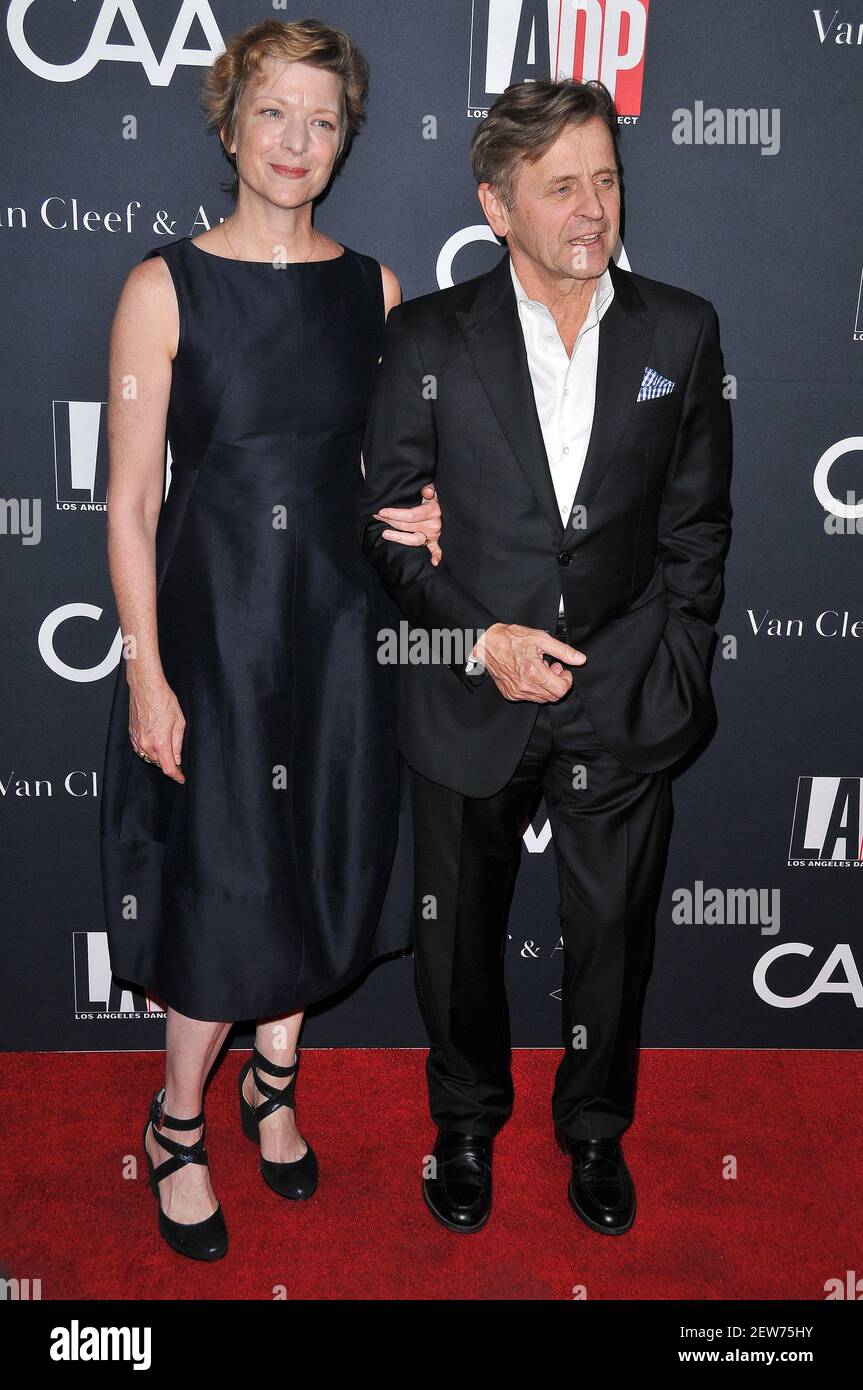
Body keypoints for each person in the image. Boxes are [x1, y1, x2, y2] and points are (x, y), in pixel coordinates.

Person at [360, 77, 732, 1236]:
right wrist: (481, 640)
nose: (590, 209)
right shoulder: (427, 334)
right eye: (559, 186)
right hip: (472, 688)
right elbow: (384, 523)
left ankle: (592, 1130)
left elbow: (695, 526)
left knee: (612, 933)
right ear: (496, 205)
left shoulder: (679, 327)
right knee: (457, 933)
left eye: (606, 180)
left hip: (622, 688)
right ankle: (464, 1125)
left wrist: (671, 659)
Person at [100, 17, 440, 1262]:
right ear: (230, 119)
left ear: (344, 139)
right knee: (228, 877)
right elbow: (131, 500)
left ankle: (274, 1082)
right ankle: (177, 1120)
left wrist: (422, 510)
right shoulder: (164, 287)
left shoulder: (377, 292)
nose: (296, 142)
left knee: (321, 856)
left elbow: (380, 476)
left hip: (339, 629)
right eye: (274, 113)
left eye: (323, 119)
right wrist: (146, 669)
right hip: (216, 633)